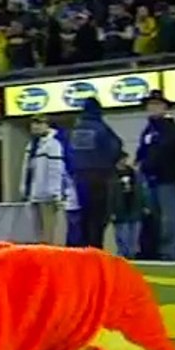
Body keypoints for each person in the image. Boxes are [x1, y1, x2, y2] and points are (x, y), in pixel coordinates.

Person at [66, 96, 122, 248]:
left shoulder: (75, 130)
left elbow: (69, 153)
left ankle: (83, 248)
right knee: (98, 217)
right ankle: (96, 248)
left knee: (84, 215)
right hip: (100, 176)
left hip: (79, 177)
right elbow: (115, 147)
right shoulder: (101, 127)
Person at [135, 90, 175, 260]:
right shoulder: (148, 130)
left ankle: (169, 252)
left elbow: (169, 152)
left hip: (167, 179)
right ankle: (155, 250)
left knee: (168, 219)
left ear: (164, 107)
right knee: (154, 218)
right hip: (150, 180)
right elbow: (142, 152)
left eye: (157, 104)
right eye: (151, 105)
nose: (153, 108)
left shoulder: (172, 128)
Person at [23, 116, 69, 246]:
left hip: (47, 197)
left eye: (39, 123)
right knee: (37, 234)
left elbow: (56, 170)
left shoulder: (53, 144)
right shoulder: (32, 145)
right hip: (34, 195)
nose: (35, 127)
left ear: (47, 126)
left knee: (49, 233)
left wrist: (55, 193)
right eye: (33, 123)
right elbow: (27, 170)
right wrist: (24, 190)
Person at [109, 151, 148, 259]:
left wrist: (144, 205)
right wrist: (111, 211)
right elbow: (110, 195)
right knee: (122, 234)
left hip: (134, 206)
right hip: (120, 209)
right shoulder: (112, 175)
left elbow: (141, 190)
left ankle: (132, 254)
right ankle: (124, 254)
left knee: (134, 234)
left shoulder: (133, 173)